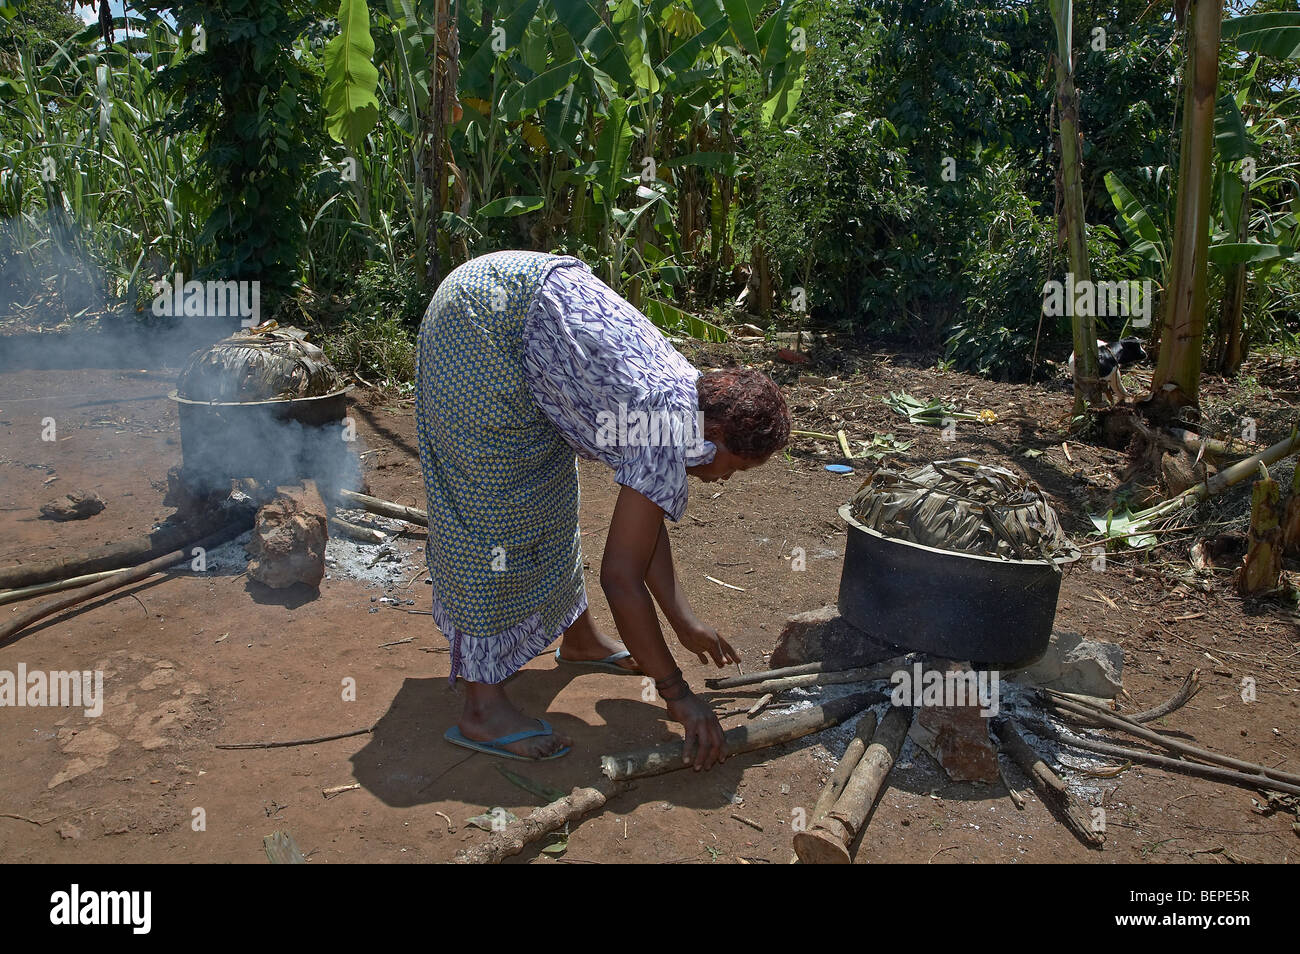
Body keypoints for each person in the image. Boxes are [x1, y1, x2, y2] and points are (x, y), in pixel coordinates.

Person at [414, 249, 790, 769]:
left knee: (547, 490)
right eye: (736, 466)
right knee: (492, 514)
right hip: (477, 325)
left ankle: (580, 637)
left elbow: (644, 530)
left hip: (521, 308)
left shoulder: (693, 405)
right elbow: (621, 576)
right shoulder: (668, 428)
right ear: (718, 433)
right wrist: (676, 692)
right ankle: (481, 705)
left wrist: (683, 620)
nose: (726, 477)